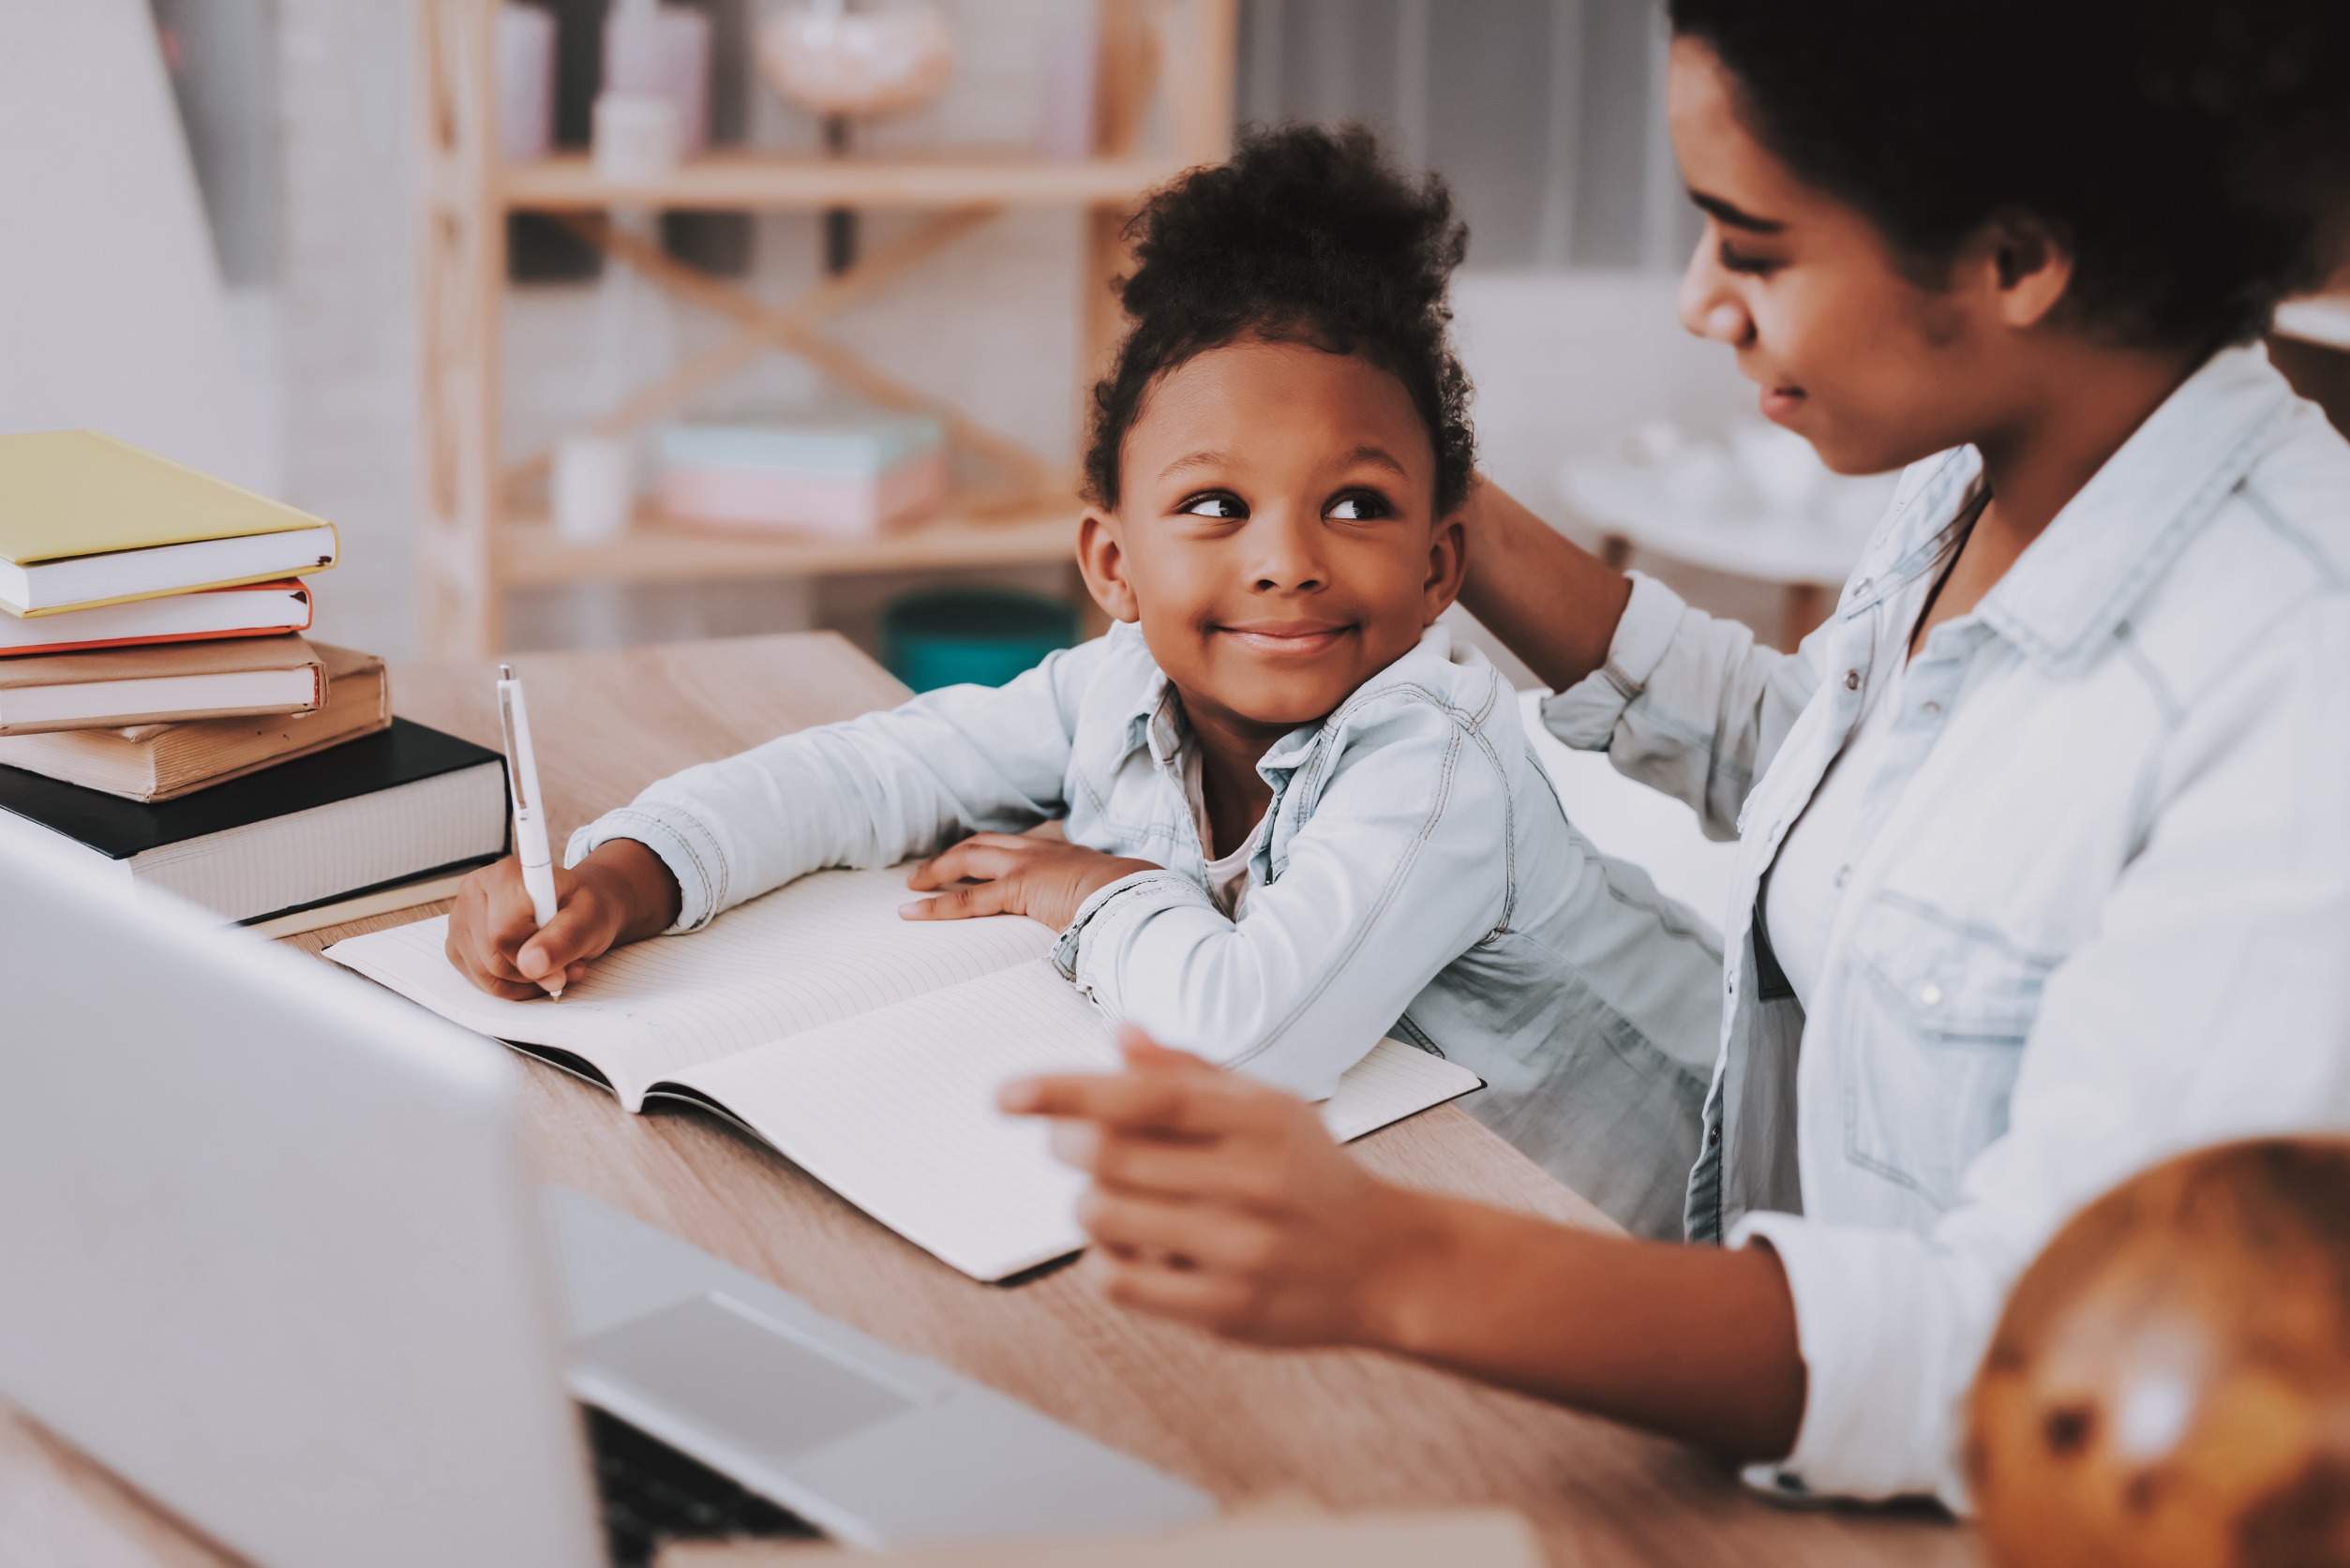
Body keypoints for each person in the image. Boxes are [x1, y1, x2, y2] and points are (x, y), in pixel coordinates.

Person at [1002, 0, 2350, 1508]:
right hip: (1722, 1411)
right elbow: (1850, 791)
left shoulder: (2297, 679)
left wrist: (1396, 1260)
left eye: (1752, 243)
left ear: (2017, 260)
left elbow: (2038, 1352)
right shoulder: (1990, 484)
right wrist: (1366, 481)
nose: (1704, 300)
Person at [444, 126, 1726, 1237]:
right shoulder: (1121, 688)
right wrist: (633, 869)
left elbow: (1254, 1038)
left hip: (1678, 1235)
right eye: (1217, 503)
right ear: (1113, 562)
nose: (1286, 561)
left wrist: (1088, 887)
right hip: (1410, 1180)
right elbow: (877, 768)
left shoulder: (1431, 753)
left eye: (1355, 503)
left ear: (1441, 563)